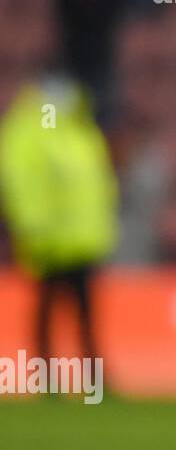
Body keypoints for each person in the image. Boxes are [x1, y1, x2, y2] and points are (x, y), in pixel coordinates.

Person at [0, 71, 118, 379]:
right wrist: (31, 224)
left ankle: (93, 378)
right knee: (49, 310)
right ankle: (47, 378)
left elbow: (96, 185)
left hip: (81, 239)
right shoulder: (30, 129)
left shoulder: (78, 129)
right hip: (50, 238)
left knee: (83, 311)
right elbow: (21, 181)